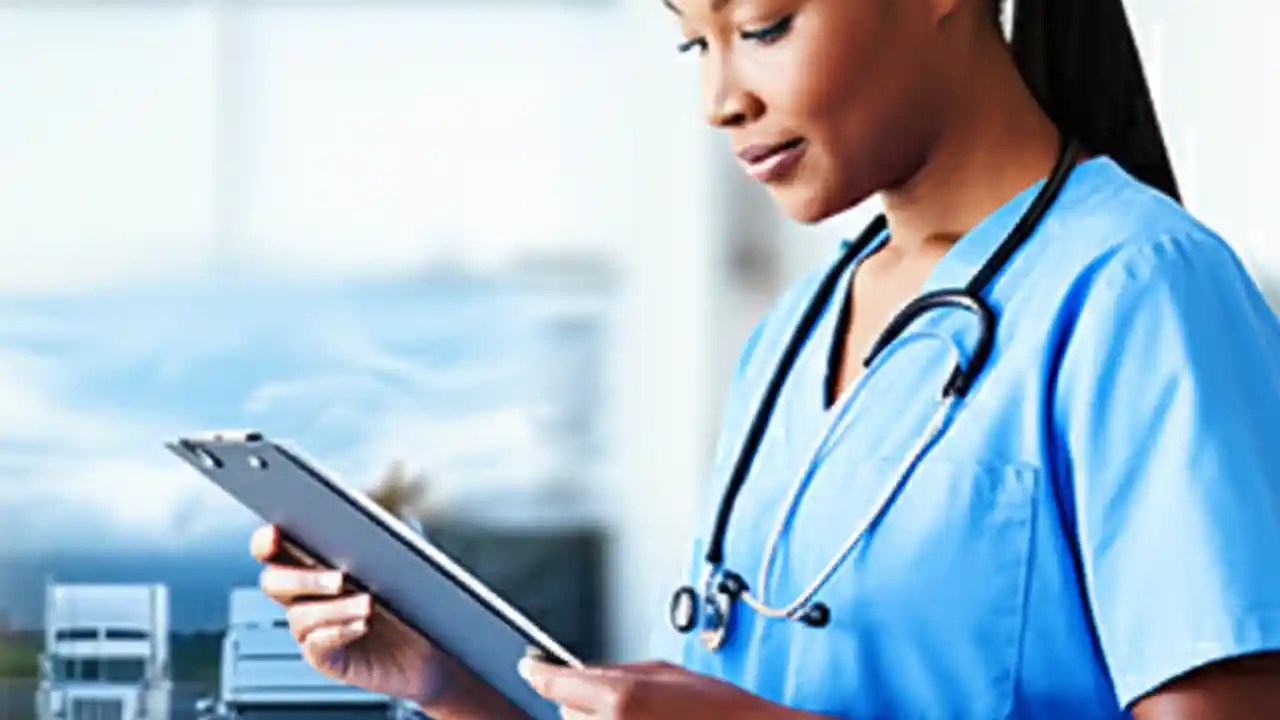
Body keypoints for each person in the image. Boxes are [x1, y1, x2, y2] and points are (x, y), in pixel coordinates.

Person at [251, 0, 1280, 716]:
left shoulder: (1140, 290)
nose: (720, 99)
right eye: (691, 44)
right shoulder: (793, 334)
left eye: (761, 28)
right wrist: (453, 685)